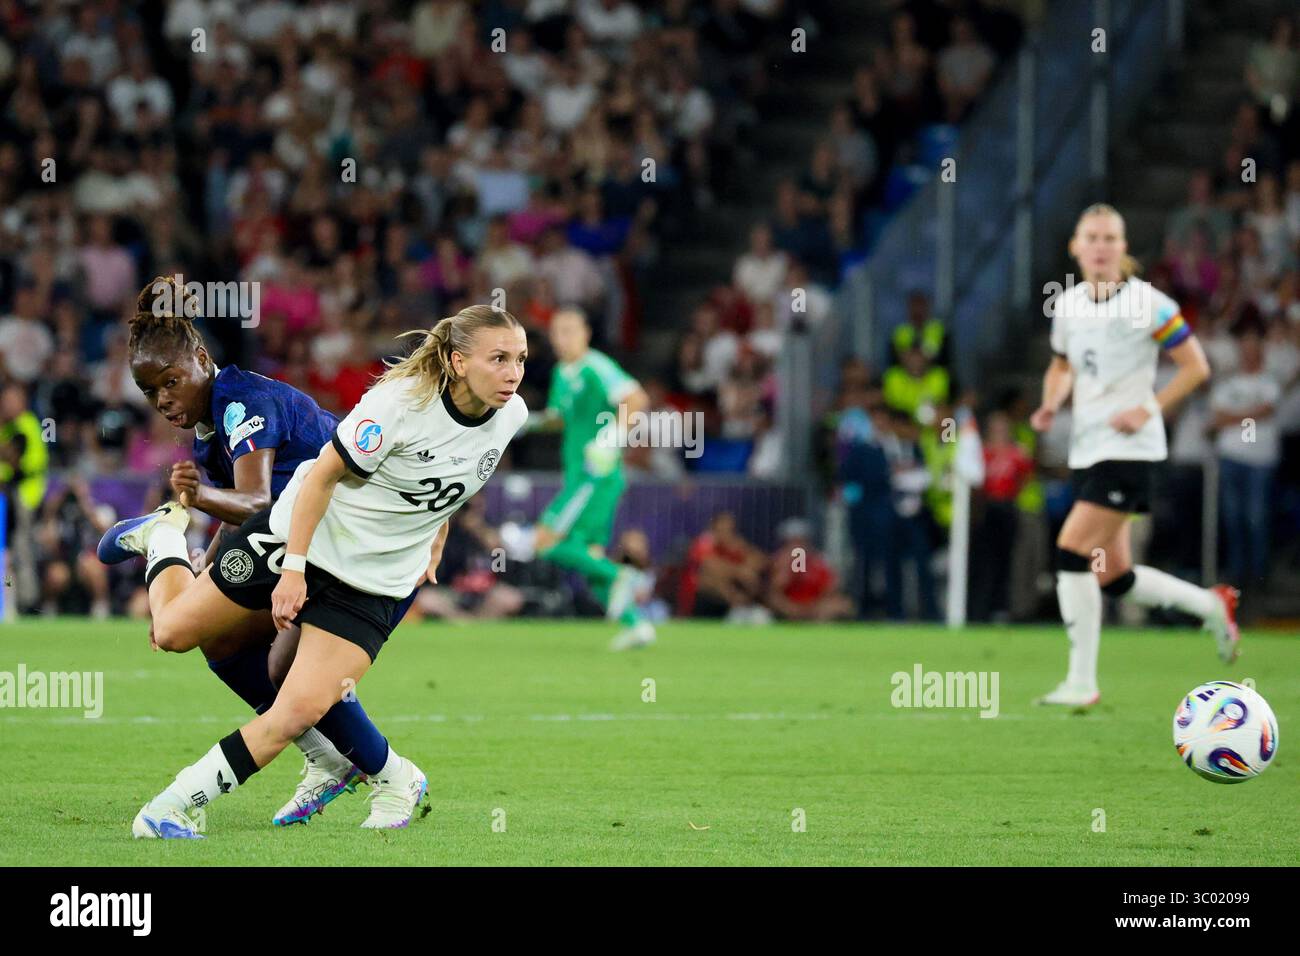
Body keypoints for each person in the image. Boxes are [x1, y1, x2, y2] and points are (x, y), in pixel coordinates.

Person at [118, 304, 528, 838]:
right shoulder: (397, 406)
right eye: (498, 358)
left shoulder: (511, 414)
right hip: (296, 533)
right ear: (456, 361)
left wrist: (437, 535)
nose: (513, 372)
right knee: (174, 633)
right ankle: (162, 536)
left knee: (293, 706)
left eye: (519, 358)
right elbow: (317, 480)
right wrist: (293, 570)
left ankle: (171, 806)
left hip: (373, 581)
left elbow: (454, 474)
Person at [98, 276, 401, 827]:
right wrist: (209, 569)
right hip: (310, 546)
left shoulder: (241, 401)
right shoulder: (210, 427)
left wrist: (195, 498)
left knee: (195, 637)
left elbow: (261, 500)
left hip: (350, 543)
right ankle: (342, 763)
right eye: (150, 392)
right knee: (223, 642)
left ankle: (159, 536)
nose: (164, 399)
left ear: (200, 357)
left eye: (170, 381)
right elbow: (241, 514)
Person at [1030, 204, 1238, 708]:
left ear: (1123, 248)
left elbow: (1195, 367)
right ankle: (1211, 604)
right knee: (1113, 575)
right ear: (1075, 247)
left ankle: (1082, 683)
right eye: (1092, 237)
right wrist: (1050, 402)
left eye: (1111, 238)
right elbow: (1061, 366)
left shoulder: (1148, 304)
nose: (1101, 246)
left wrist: (1148, 409)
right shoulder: (1068, 306)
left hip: (1129, 450)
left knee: (1071, 550)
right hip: (1088, 448)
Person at [526, 307, 657, 650]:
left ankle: (622, 576)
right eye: (557, 331)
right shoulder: (562, 372)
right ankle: (636, 625)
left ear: (586, 333)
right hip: (581, 476)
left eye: (570, 330)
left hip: (593, 475)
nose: (562, 338)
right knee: (589, 554)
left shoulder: (595, 366)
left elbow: (636, 399)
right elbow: (559, 418)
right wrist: (527, 423)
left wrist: (609, 440)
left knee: (544, 541)